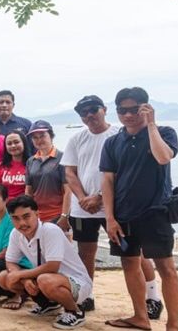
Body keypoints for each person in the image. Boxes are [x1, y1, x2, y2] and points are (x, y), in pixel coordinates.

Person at [61, 95, 160, 314]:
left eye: (93, 110)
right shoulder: (76, 139)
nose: (89, 115)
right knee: (85, 252)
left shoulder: (119, 134)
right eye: (83, 112)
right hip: (82, 208)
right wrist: (82, 198)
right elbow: (70, 171)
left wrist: (98, 196)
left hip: (115, 207)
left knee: (134, 252)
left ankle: (152, 296)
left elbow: (125, 172)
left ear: (104, 109)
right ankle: (87, 295)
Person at [101, 87, 178, 331]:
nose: (128, 115)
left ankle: (174, 324)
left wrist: (151, 124)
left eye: (134, 109)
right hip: (124, 214)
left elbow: (163, 157)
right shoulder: (113, 142)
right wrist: (110, 218)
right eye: (122, 110)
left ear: (145, 107)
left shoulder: (164, 132)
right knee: (129, 264)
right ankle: (140, 317)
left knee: (166, 267)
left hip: (155, 212)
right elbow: (108, 181)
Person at [0, 196, 91, 329]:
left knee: (44, 279)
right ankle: (48, 304)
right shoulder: (15, 233)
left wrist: (21, 275)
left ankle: (75, 312)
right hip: (48, 279)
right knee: (4, 277)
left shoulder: (50, 230)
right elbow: (10, 261)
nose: (22, 223)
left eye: (26, 216)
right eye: (15, 218)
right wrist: (24, 280)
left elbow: (53, 266)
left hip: (76, 282)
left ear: (37, 214)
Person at [25, 120, 71, 229]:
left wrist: (65, 216)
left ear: (51, 136)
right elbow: (28, 191)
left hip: (57, 215)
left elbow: (68, 191)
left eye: (42, 136)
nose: (39, 140)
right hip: (37, 216)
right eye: (35, 138)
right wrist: (28, 213)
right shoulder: (31, 161)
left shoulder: (63, 158)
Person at [0, 130, 30, 200]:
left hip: (25, 205)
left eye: (16, 142)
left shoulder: (32, 164)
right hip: (5, 206)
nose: (13, 146)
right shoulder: (1, 166)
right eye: (9, 144)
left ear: (24, 143)